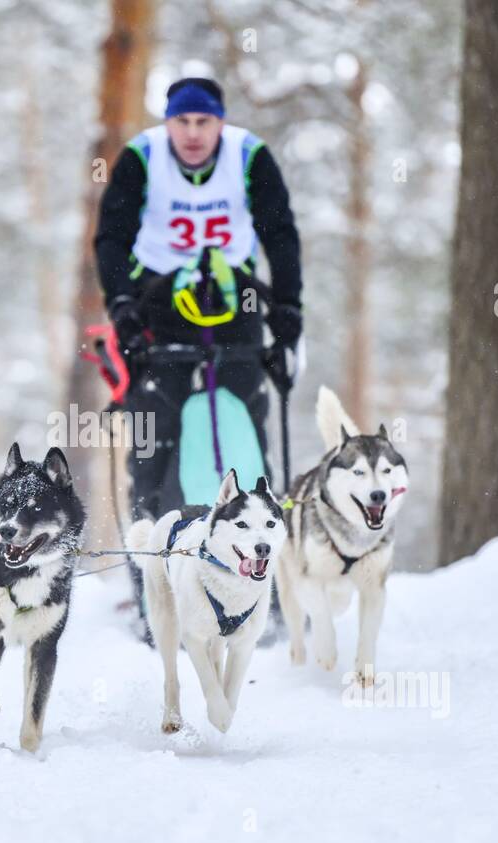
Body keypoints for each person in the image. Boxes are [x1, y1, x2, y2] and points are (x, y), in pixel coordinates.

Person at [94, 76, 304, 520]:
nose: (192, 134)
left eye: (203, 122)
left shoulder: (249, 155)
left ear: (220, 124)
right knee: (155, 427)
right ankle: (151, 555)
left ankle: (255, 549)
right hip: (158, 302)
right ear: (167, 123)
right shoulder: (141, 157)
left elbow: (281, 234)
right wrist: (121, 306)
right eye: (182, 121)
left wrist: (288, 307)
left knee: (244, 421)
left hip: (234, 300)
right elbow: (112, 237)